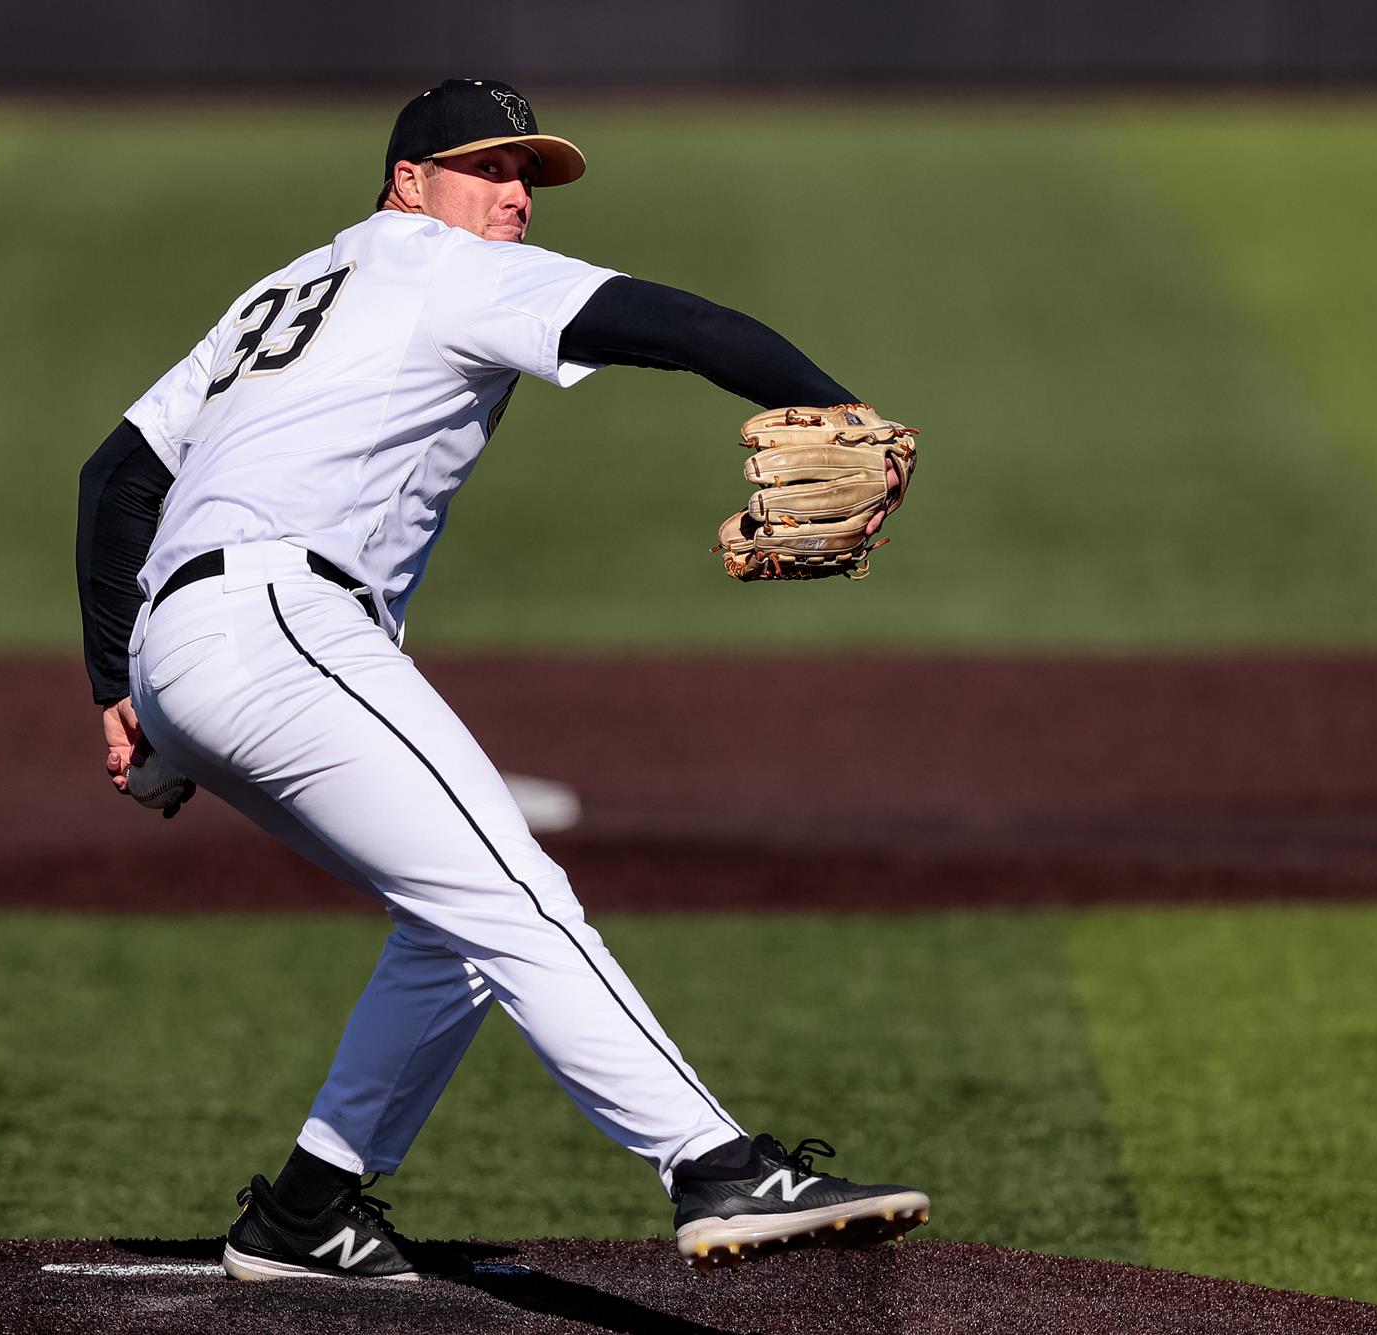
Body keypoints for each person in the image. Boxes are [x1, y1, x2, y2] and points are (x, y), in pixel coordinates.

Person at [76, 78, 927, 1281]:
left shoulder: (283, 291)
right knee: (519, 896)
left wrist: (120, 685)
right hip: (281, 624)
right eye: (489, 168)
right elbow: (673, 324)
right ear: (407, 184)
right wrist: (837, 404)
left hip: (194, 642)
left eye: (528, 175)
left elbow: (114, 480)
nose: (516, 196)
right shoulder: (435, 261)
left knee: (452, 920)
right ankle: (714, 1165)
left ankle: (306, 1212)